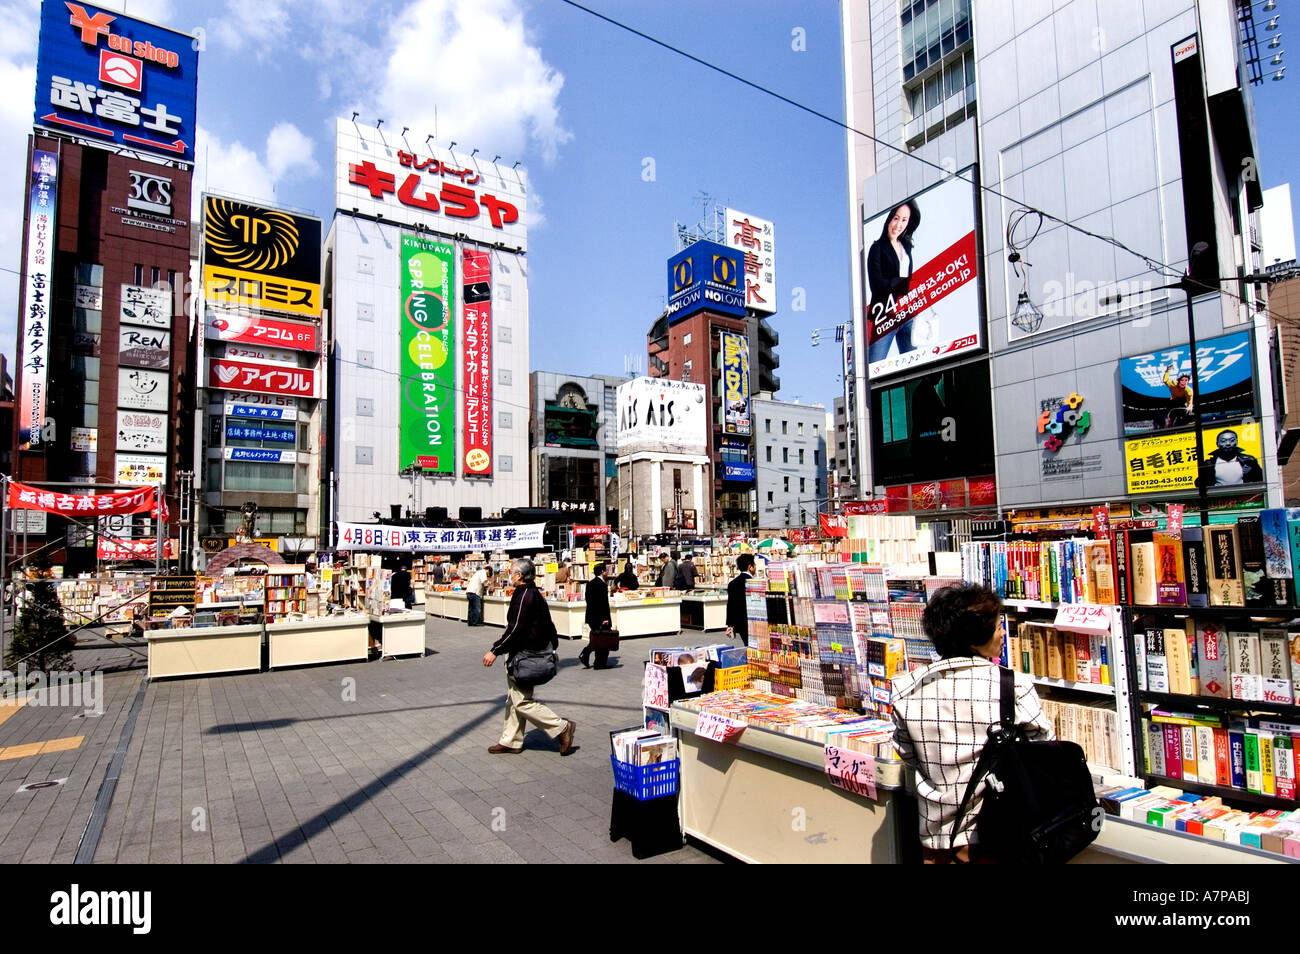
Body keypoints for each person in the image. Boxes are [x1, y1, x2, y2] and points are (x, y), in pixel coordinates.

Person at [890, 583, 1053, 864]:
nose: (1003, 633)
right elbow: (1044, 749)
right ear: (974, 637)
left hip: (936, 836)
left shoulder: (906, 689)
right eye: (999, 626)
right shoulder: (1011, 685)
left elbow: (907, 754)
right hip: (996, 830)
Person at [482, 559, 576, 755]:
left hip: (525, 655)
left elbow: (516, 629)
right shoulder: (532, 593)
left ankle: (561, 727)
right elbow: (548, 623)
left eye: (512, 572)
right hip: (531, 652)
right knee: (515, 698)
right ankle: (511, 740)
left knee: (521, 701)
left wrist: (495, 650)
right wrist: (552, 645)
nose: (510, 574)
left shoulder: (525, 595)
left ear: (520, 576)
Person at [866, 199, 921, 366]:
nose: (898, 225)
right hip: (885, 315)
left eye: (904, 220)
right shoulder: (877, 248)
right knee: (874, 367)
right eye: (896, 218)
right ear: (889, 219)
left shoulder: (906, 248)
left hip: (906, 314)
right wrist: (903, 283)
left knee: (915, 366)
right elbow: (877, 285)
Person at [579, 561, 613, 669]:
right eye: (606, 571)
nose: (607, 572)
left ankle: (586, 654)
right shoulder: (602, 585)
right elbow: (602, 603)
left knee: (596, 637)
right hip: (600, 617)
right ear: (603, 572)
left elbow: (590, 601)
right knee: (603, 639)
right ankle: (599, 663)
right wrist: (605, 618)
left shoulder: (590, 584)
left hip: (591, 616)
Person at [726, 553, 755, 646]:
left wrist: (730, 624)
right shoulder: (754, 582)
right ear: (750, 567)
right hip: (755, 620)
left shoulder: (732, 583)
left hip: (740, 622)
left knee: (748, 645)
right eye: (754, 566)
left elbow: (730, 604)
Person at [1163, 364, 1194, 428]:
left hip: (1182, 400)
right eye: (1182, 380)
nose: (1184, 382)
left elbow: (1190, 400)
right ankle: (1169, 424)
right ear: (1179, 381)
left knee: (1188, 409)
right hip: (1173, 401)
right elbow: (1165, 380)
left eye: (1186, 380)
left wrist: (1189, 406)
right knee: (1170, 414)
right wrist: (1168, 370)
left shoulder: (1189, 390)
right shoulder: (1173, 384)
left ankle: (1186, 421)